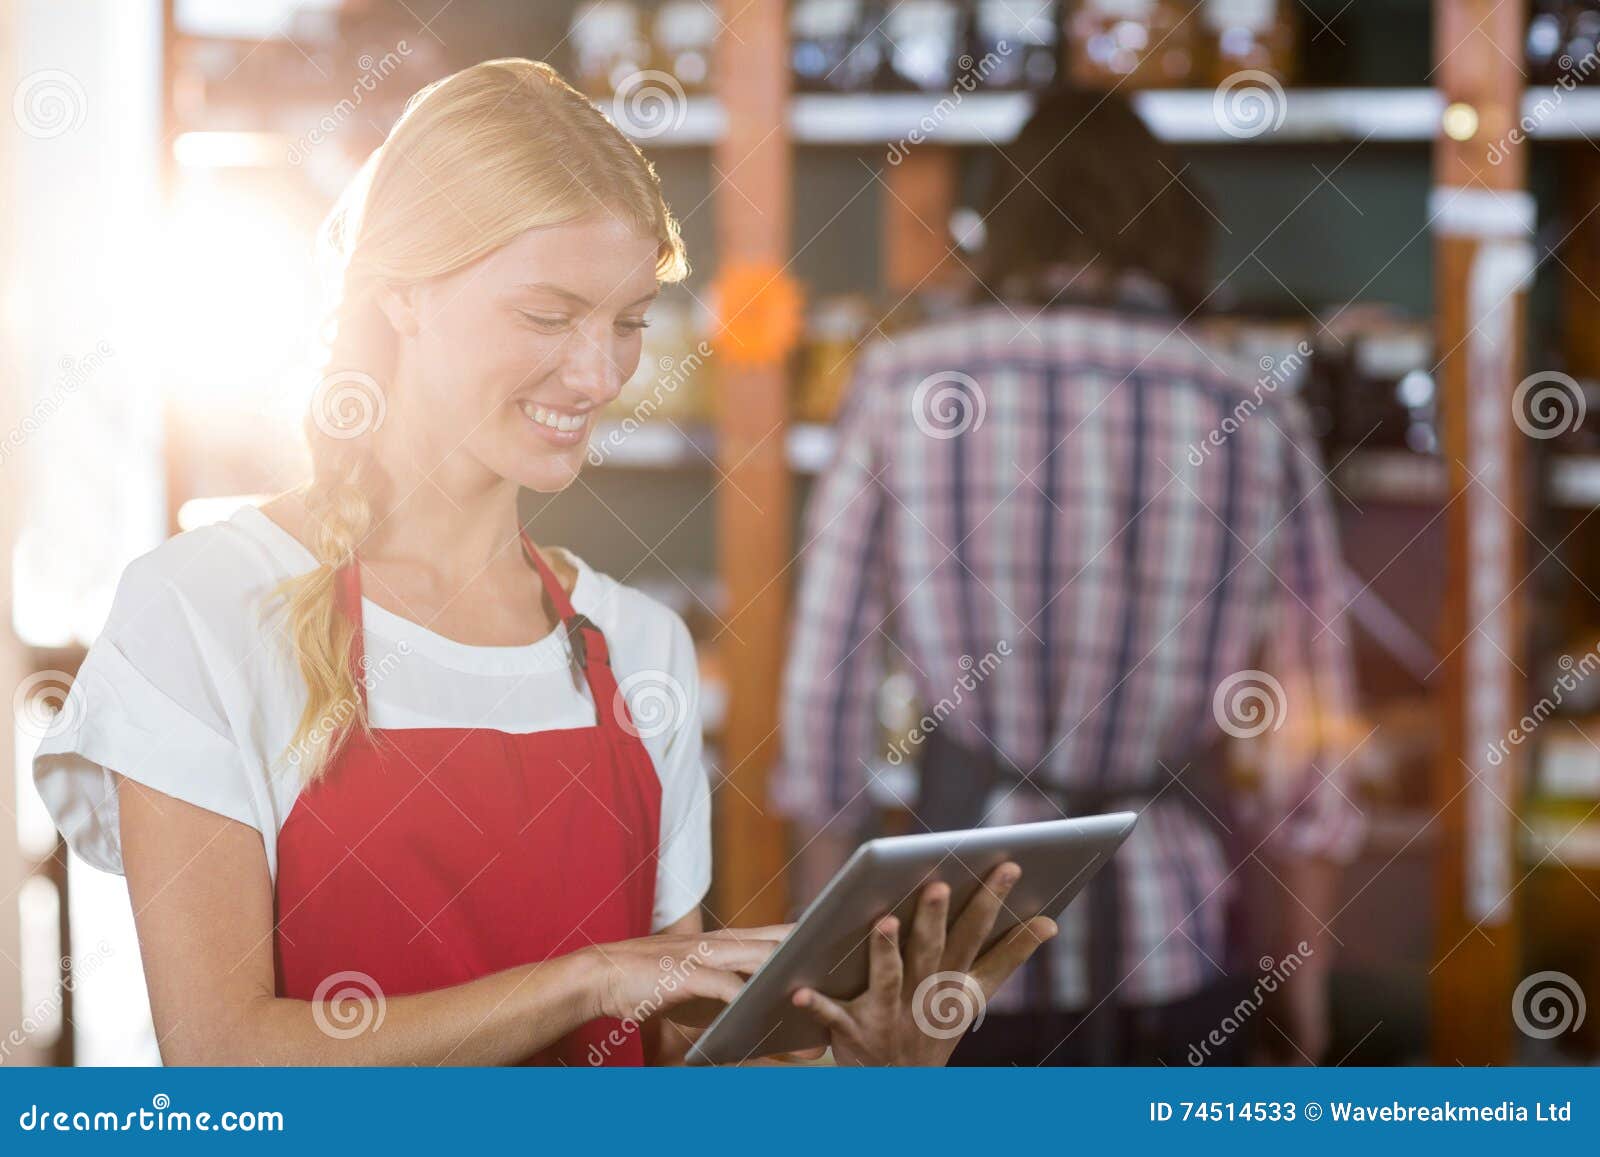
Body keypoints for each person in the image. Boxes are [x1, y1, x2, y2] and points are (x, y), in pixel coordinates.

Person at [32, 59, 1054, 1067]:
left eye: (626, 323)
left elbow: (678, 1084)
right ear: (401, 296)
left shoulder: (634, 646)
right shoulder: (202, 607)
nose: (600, 372)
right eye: (548, 316)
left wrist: (866, 1076)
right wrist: (588, 977)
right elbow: (222, 1059)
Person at [776, 87, 1367, 1066]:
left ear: (1000, 219)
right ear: (1176, 220)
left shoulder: (900, 383)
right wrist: (1302, 997)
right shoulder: (1251, 406)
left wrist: (821, 967)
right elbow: (1309, 740)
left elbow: (823, 701)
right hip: (1175, 946)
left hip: (952, 947)